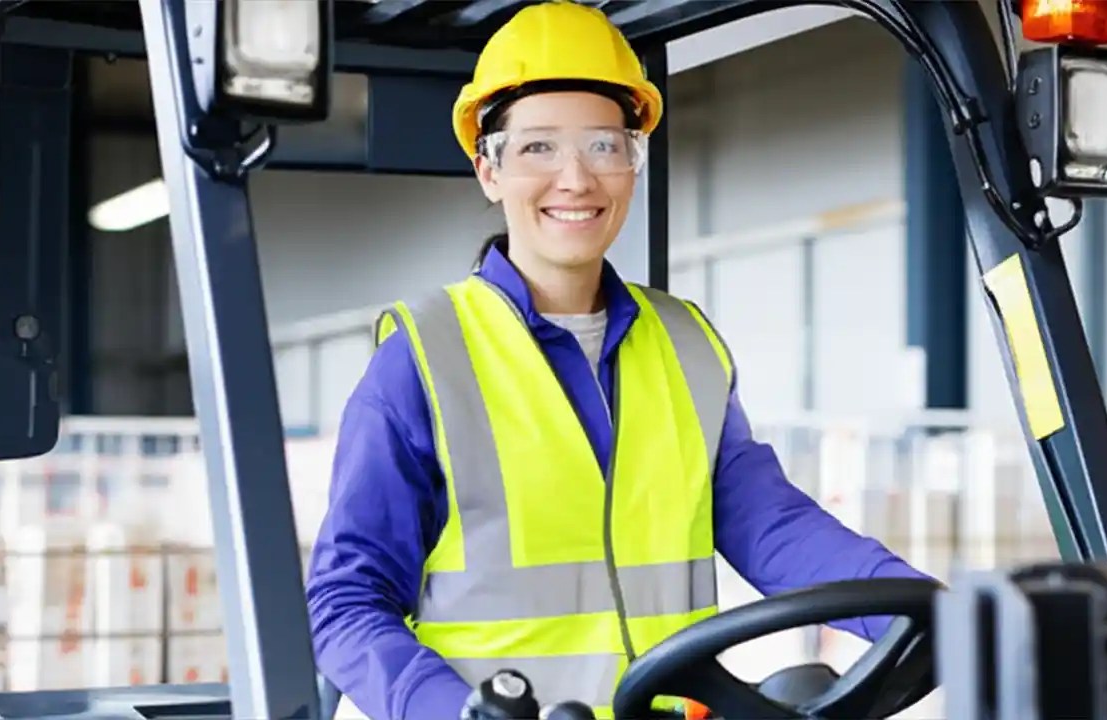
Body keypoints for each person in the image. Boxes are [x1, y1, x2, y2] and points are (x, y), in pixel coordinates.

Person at [304, 2, 933, 718]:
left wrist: (931, 614)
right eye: (539, 147)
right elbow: (346, 602)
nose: (575, 179)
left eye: (604, 146)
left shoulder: (687, 345)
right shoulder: (423, 358)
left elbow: (773, 527)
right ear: (489, 169)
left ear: (633, 164)